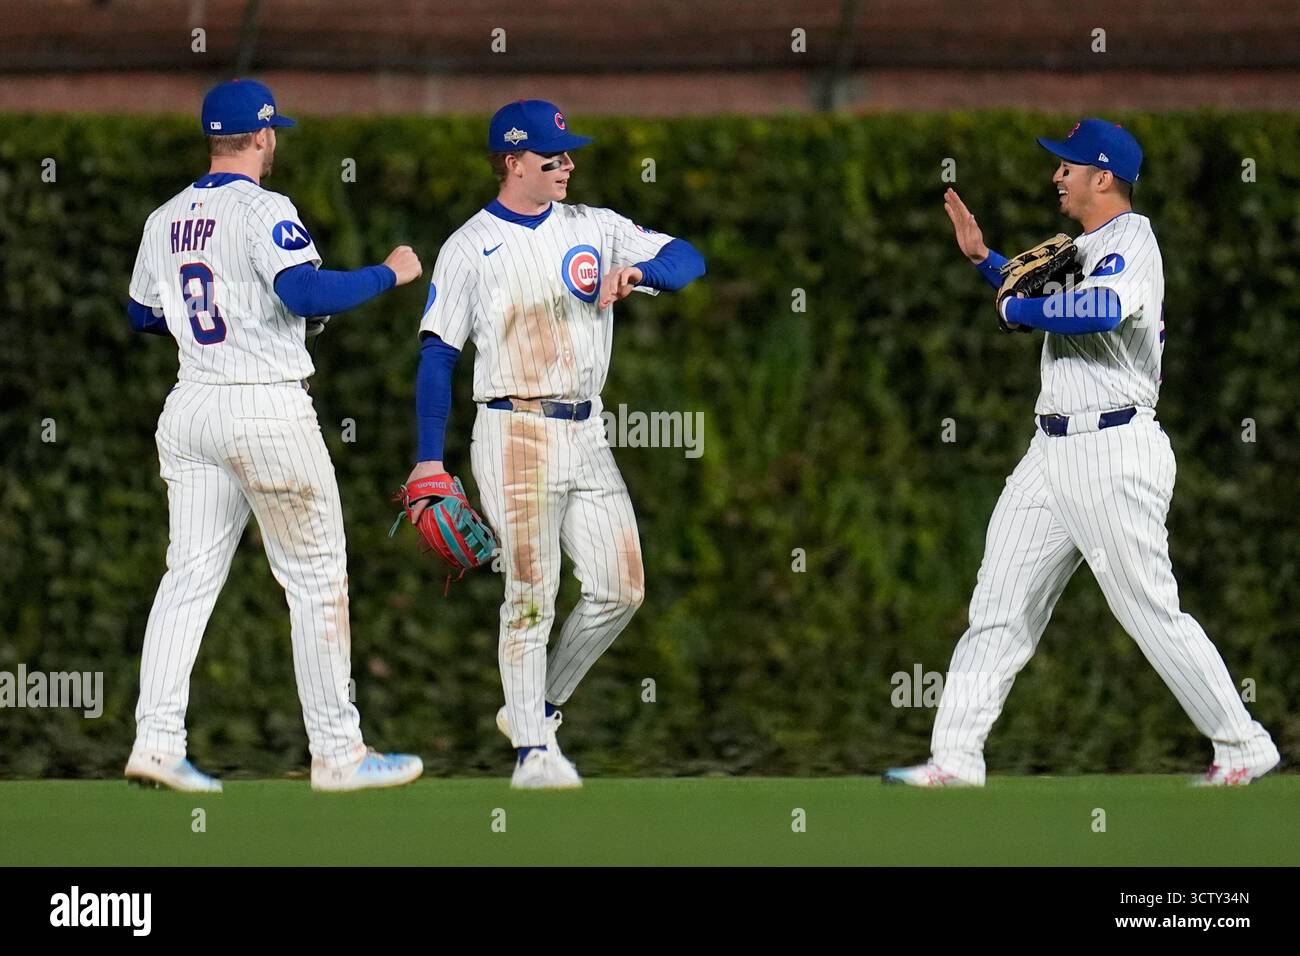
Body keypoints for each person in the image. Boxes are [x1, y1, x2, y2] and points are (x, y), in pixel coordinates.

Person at [885, 119, 1280, 787]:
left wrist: (1016, 311)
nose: (1056, 176)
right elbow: (1031, 292)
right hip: (1051, 450)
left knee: (1149, 611)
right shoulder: (1085, 244)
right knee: (999, 605)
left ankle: (1244, 743)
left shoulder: (1132, 239)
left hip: (1114, 447)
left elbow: (1096, 309)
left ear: (1104, 176)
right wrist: (985, 261)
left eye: (1068, 166)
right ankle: (955, 758)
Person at [125, 78, 424, 792]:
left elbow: (143, 316)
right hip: (264, 410)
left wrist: (231, 321)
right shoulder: (265, 208)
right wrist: (390, 272)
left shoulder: (164, 217)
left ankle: (156, 742)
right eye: (272, 132)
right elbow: (306, 294)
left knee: (188, 578)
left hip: (192, 404)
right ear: (261, 136)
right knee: (316, 579)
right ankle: (338, 754)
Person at [407, 100, 705, 788]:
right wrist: (429, 455)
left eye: (568, 153)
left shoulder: (596, 227)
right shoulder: (469, 246)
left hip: (587, 430)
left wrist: (641, 273)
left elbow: (689, 260)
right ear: (514, 163)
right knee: (530, 592)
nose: (567, 164)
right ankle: (532, 755)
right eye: (552, 156)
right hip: (512, 430)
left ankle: (537, 708)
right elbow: (436, 355)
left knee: (620, 590)